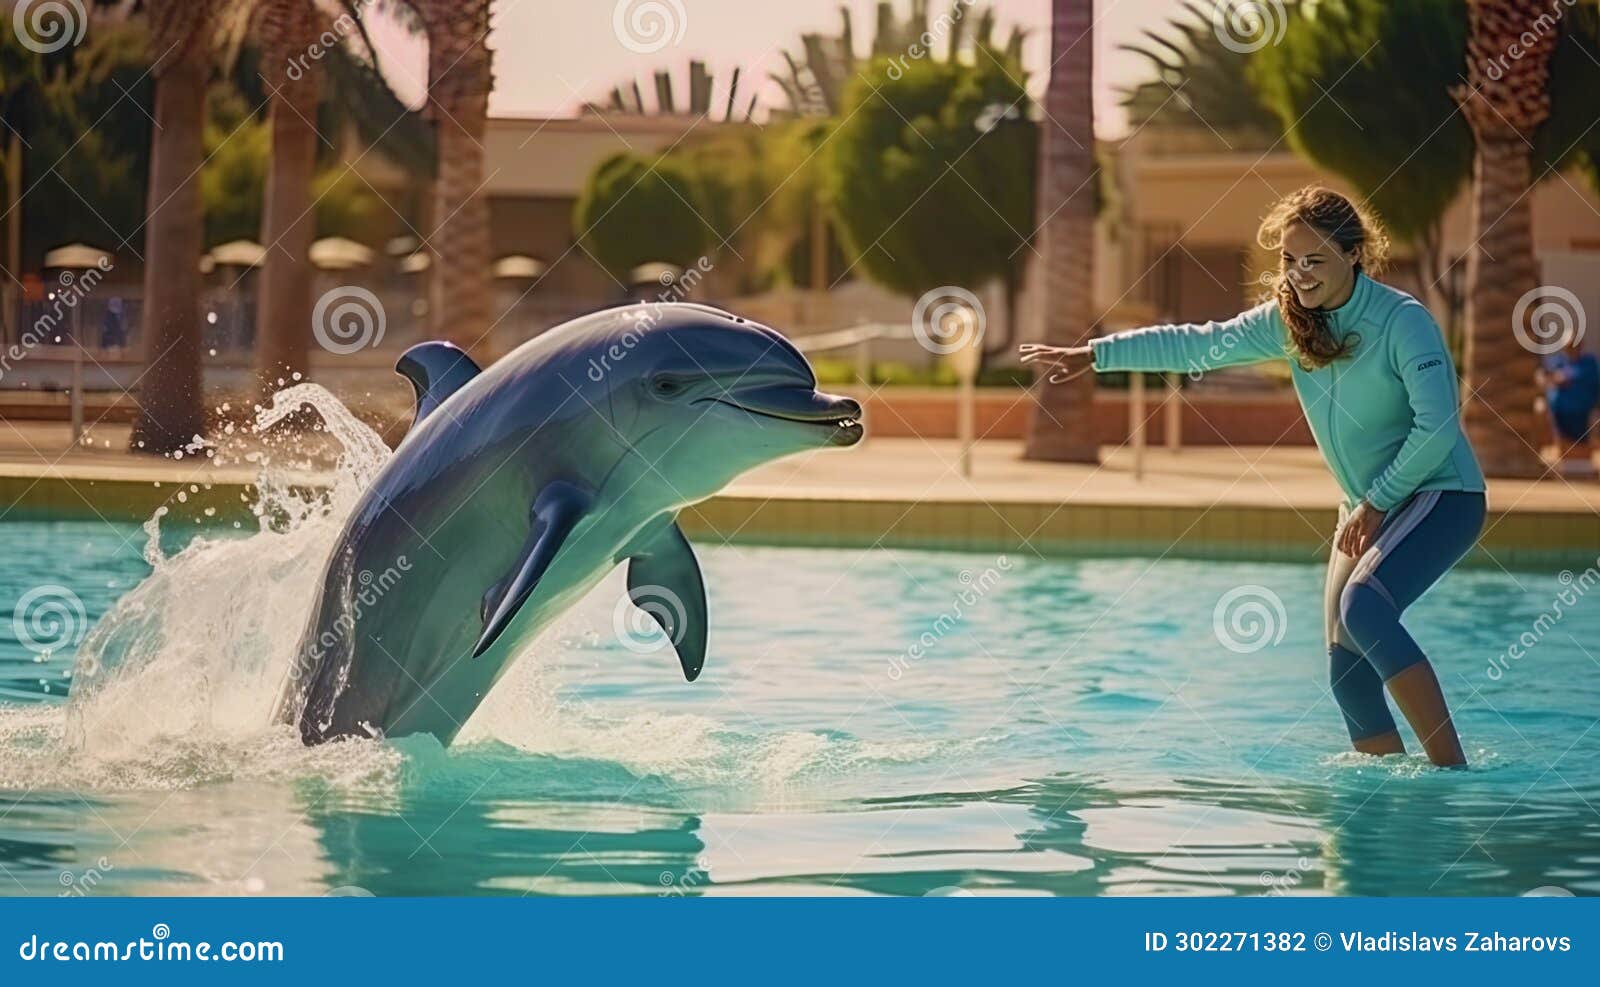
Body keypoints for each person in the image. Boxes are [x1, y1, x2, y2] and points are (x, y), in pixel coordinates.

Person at [1020, 186, 1485, 767]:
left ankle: (1451, 776)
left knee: (1365, 609)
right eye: (1290, 261)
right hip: (1368, 505)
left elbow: (1438, 426)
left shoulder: (1402, 320)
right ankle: (1387, 796)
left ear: (1353, 254)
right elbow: (1204, 342)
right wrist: (1097, 353)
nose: (1300, 274)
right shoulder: (1288, 323)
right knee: (1347, 672)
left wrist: (1376, 501)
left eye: (1315, 260)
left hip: (1440, 494)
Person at [1537, 334, 1598, 459]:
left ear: (1580, 345)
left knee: (1581, 446)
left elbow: (1568, 378)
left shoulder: (1588, 362)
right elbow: (1543, 377)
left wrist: (1559, 378)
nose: (1571, 348)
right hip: (1558, 413)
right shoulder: (1557, 361)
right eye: (1568, 345)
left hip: (1581, 413)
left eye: (1574, 344)